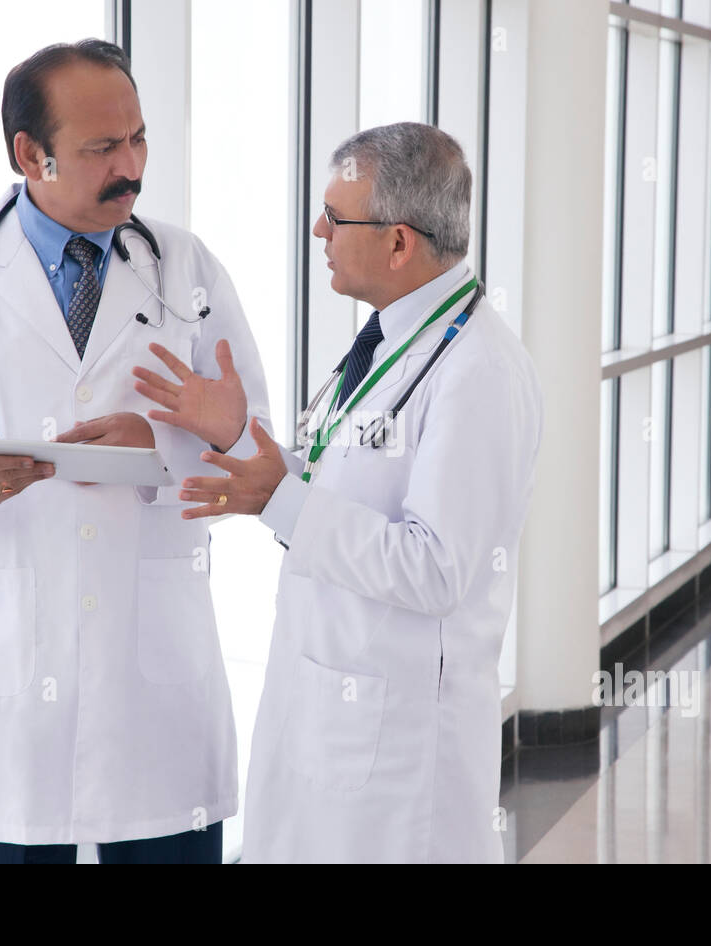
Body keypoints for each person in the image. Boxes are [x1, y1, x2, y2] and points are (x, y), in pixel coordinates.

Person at [0, 39, 271, 863]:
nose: (131, 166)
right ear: (30, 154)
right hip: (8, 680)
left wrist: (162, 444)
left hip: (153, 680)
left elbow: (256, 446)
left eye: (139, 139)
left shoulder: (187, 268)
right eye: (101, 149)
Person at [152, 122, 543, 862]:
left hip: (400, 756)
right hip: (334, 709)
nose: (318, 229)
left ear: (399, 243)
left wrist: (283, 499)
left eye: (338, 216)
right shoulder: (391, 342)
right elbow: (337, 478)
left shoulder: (478, 373)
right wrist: (240, 437)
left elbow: (436, 568)